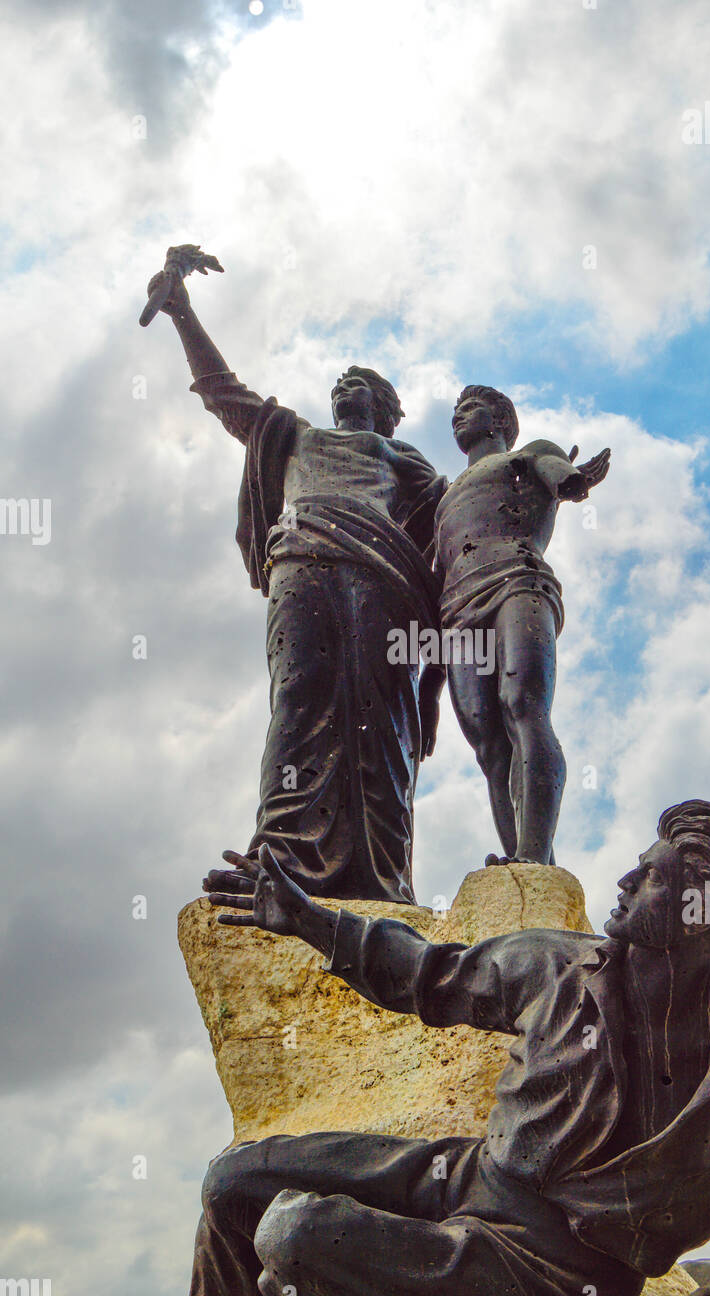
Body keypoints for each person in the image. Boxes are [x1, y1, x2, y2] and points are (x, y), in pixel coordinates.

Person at [192, 800, 710, 1296]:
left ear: (703, 911)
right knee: (233, 1184)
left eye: (653, 877)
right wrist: (310, 920)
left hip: (559, 1268)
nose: (627, 878)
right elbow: (430, 976)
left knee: (294, 1236)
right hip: (469, 1175)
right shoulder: (557, 965)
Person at [148, 258, 446, 902]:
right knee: (301, 697)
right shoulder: (293, 436)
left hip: (385, 580)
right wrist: (181, 311)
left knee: (379, 716)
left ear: (387, 409)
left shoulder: (401, 459)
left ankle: (382, 874)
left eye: (357, 383)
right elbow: (223, 393)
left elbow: (453, 536)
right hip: (303, 563)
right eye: (339, 382)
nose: (342, 388)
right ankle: (281, 856)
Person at [433, 385, 610, 865]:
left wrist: (572, 479)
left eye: (471, 408)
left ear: (500, 420)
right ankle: (520, 859)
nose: (459, 416)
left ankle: (535, 855)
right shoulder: (445, 496)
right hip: (456, 610)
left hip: (517, 580)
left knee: (522, 703)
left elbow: (561, 475)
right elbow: (434, 569)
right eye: (455, 410)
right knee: (487, 742)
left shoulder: (531, 453)